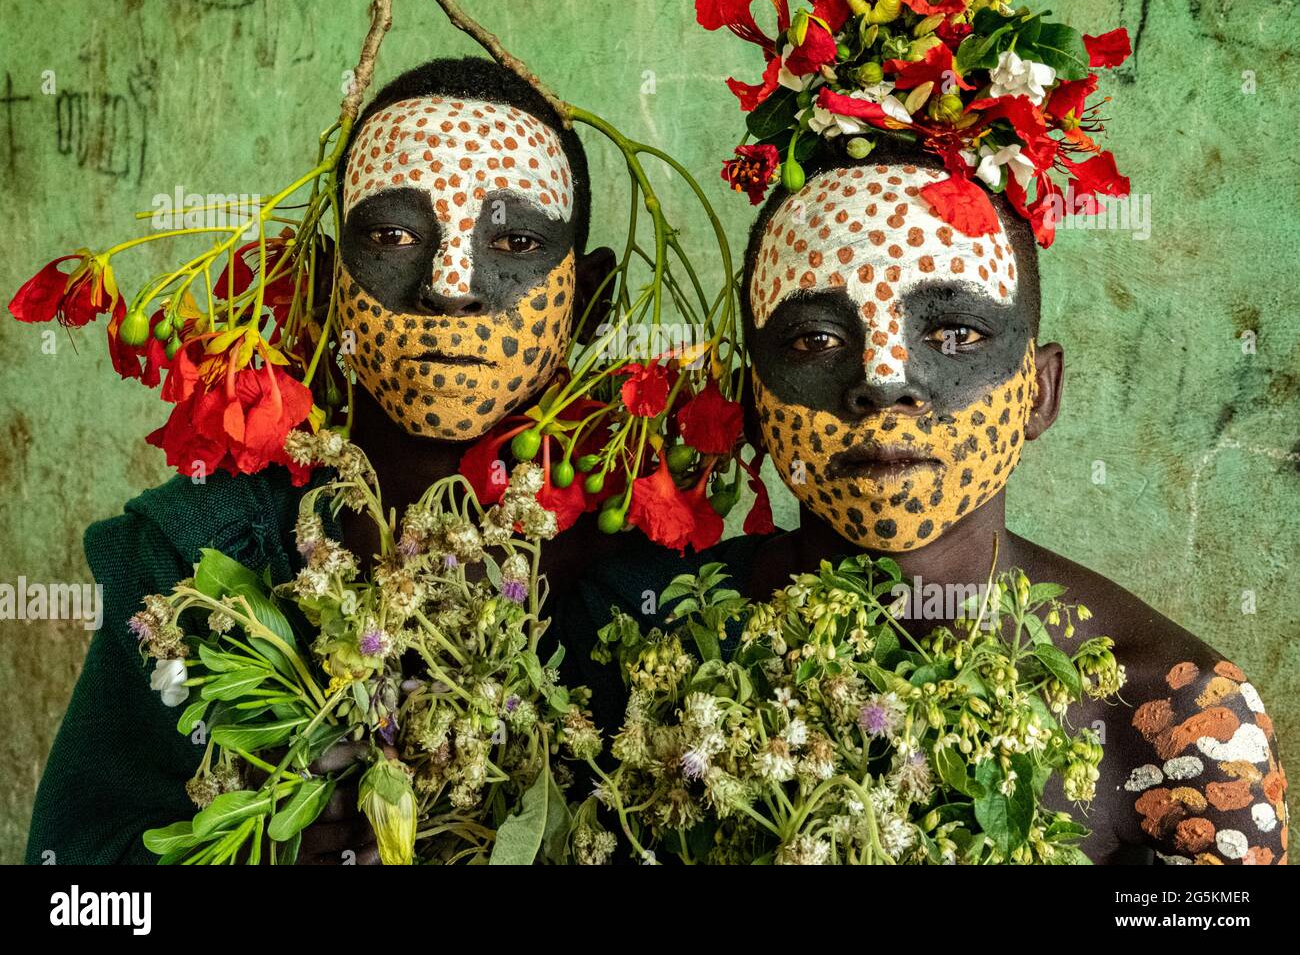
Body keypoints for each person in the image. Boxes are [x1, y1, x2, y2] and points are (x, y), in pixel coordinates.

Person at [554, 143, 1288, 865]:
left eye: (956, 333)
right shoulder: (635, 635)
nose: (885, 381)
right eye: (816, 339)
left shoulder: (1173, 714)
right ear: (752, 401)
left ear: (1040, 390)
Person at [25, 56, 617, 865]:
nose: (450, 286)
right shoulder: (200, 555)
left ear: (588, 301)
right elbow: (70, 893)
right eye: (393, 236)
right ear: (324, 278)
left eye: (513, 241)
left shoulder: (628, 583)